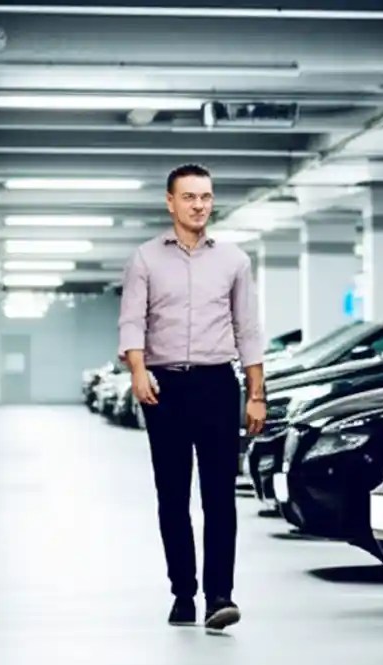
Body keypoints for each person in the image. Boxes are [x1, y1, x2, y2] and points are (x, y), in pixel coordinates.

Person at [117, 163, 267, 632]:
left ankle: (220, 594)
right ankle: (183, 591)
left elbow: (249, 330)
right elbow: (131, 322)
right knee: (173, 495)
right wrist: (138, 371)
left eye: (205, 197)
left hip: (218, 385)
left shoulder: (235, 261)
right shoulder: (144, 259)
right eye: (189, 197)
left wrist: (256, 394)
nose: (199, 205)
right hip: (165, 389)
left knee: (220, 496)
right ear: (170, 202)